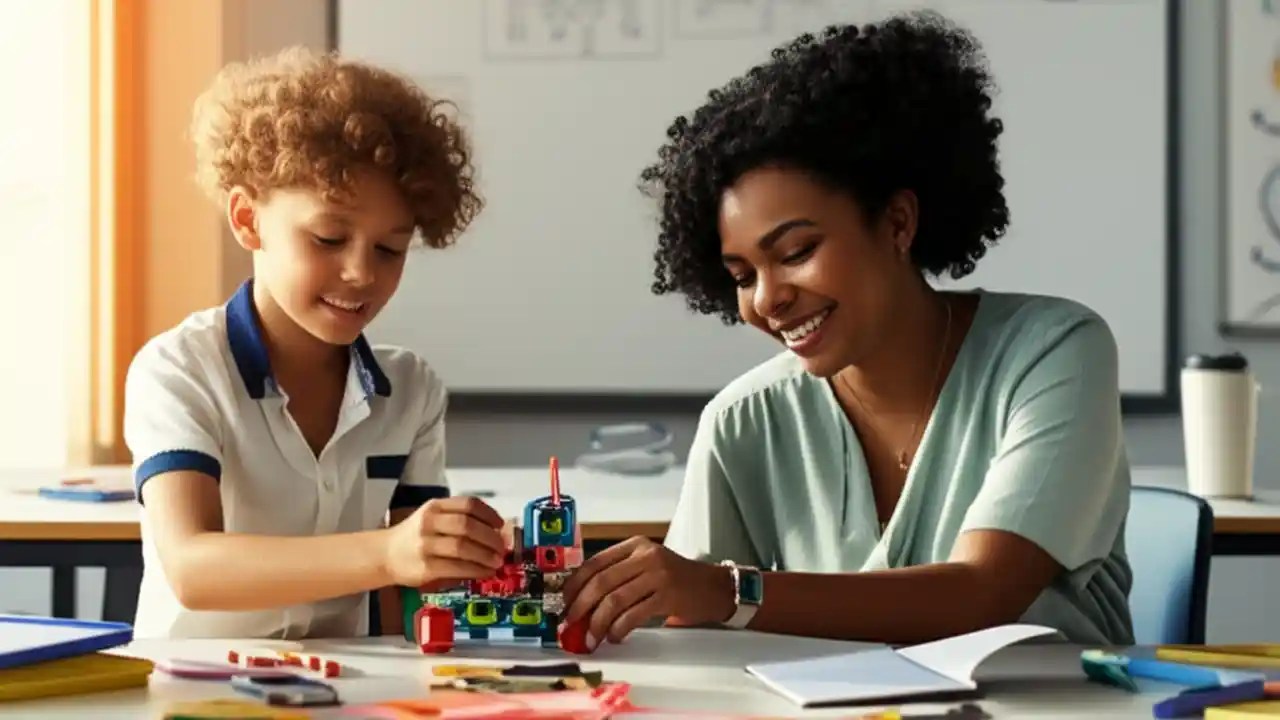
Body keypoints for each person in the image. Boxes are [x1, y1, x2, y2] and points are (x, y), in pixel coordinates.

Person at [561, 11, 1134, 650]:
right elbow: (694, 636)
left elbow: (986, 594)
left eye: (797, 250)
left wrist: (728, 592)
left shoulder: (1054, 352)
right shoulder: (742, 422)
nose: (768, 299)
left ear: (896, 223)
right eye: (742, 274)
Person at [122, 47, 507, 639]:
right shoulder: (179, 369)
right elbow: (193, 568)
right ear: (247, 219)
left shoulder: (411, 391)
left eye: (390, 249)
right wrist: (387, 552)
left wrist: (493, 556)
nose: (361, 273)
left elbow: (417, 588)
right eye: (329, 237)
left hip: (347, 687)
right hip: (197, 686)